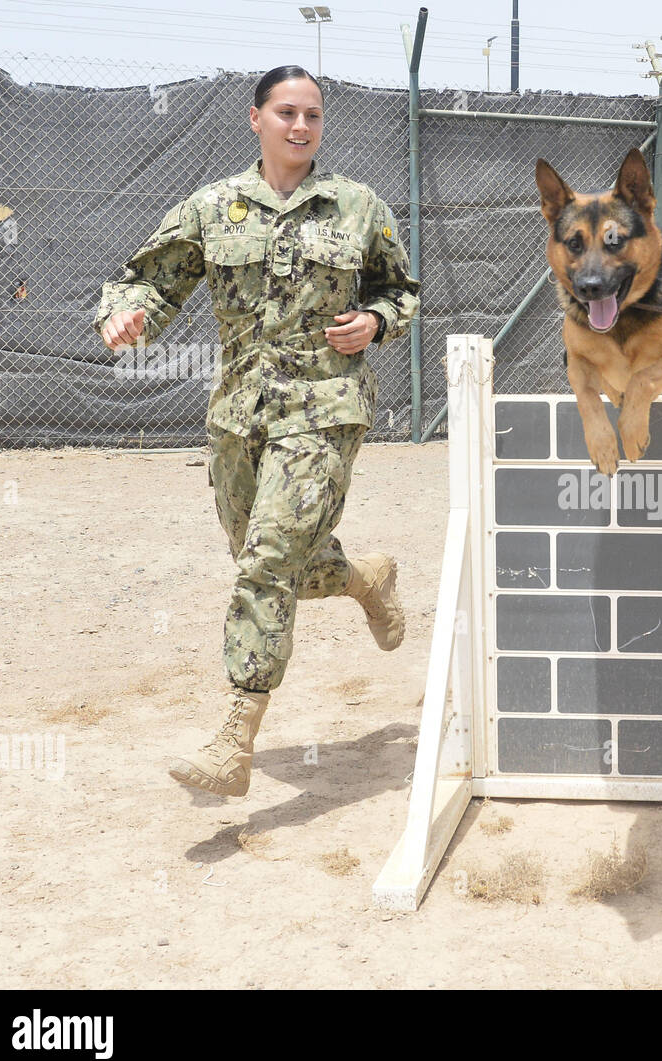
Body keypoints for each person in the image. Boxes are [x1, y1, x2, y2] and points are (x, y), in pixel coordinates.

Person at [94, 65, 420, 797]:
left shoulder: (357, 206)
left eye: (312, 115)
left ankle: (234, 736)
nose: (300, 127)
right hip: (239, 419)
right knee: (275, 565)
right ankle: (365, 577)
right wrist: (125, 315)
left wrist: (374, 321)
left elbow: (400, 291)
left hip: (326, 408)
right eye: (286, 113)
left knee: (267, 562)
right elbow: (145, 280)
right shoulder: (214, 208)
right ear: (256, 120)